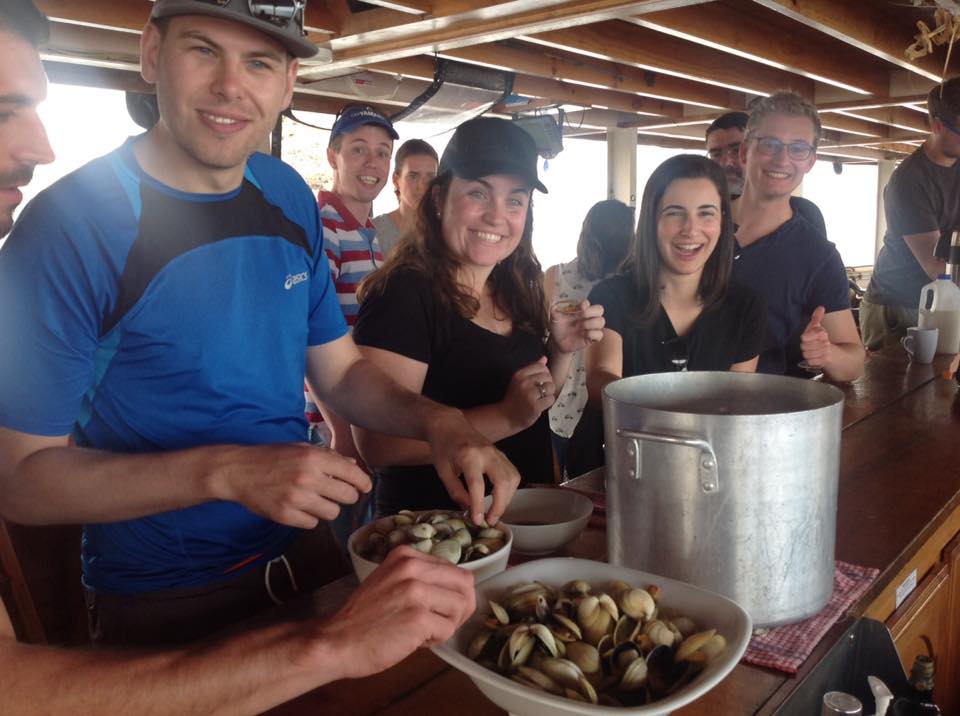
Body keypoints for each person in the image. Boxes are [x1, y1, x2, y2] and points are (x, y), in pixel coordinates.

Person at [0, 3, 477, 710]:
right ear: (152, 53)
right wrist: (226, 471)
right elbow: (24, 482)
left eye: (258, 62)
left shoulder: (284, 194)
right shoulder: (68, 227)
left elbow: (341, 373)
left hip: (311, 563)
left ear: (289, 82)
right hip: (162, 602)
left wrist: (439, 421)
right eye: (203, 51)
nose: (232, 86)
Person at [352, 117, 604, 515]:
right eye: (478, 193)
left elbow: (534, 404)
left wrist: (560, 351)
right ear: (439, 199)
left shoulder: (514, 286)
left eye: (515, 200)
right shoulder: (402, 293)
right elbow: (377, 443)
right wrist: (505, 417)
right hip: (439, 534)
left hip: (525, 521)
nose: (496, 216)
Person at [566, 155, 764, 475]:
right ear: (652, 221)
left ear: (723, 221)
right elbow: (601, 378)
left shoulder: (745, 307)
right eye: (675, 213)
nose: (691, 230)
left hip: (700, 468)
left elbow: (736, 399)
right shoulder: (612, 296)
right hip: (613, 467)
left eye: (706, 214)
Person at [731, 91, 864, 382]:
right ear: (744, 152)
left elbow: (854, 362)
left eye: (798, 148)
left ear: (810, 161)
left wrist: (827, 353)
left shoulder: (818, 256)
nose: (782, 159)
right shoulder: (698, 227)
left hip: (761, 410)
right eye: (770, 144)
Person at [860, 79, 960, 350]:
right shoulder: (909, 181)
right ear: (937, 125)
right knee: (895, 391)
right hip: (896, 305)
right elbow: (936, 268)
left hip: (941, 300)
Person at [543, 199, 633, 477]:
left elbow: (542, 337)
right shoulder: (627, 289)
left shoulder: (553, 276)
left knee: (558, 489)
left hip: (556, 402)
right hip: (606, 407)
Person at [705, 109, 827, 235]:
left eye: (736, 151)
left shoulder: (804, 213)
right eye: (716, 154)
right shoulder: (702, 211)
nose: (726, 162)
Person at [373, 138, 439, 258]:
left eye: (430, 177)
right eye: (413, 176)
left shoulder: (446, 233)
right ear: (396, 180)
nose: (423, 186)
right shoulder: (373, 232)